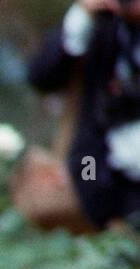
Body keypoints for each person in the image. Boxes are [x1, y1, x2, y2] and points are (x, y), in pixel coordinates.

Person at [27, 0, 140, 228]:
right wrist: (82, 15)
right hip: (105, 174)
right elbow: (42, 75)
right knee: (90, 182)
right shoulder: (106, 25)